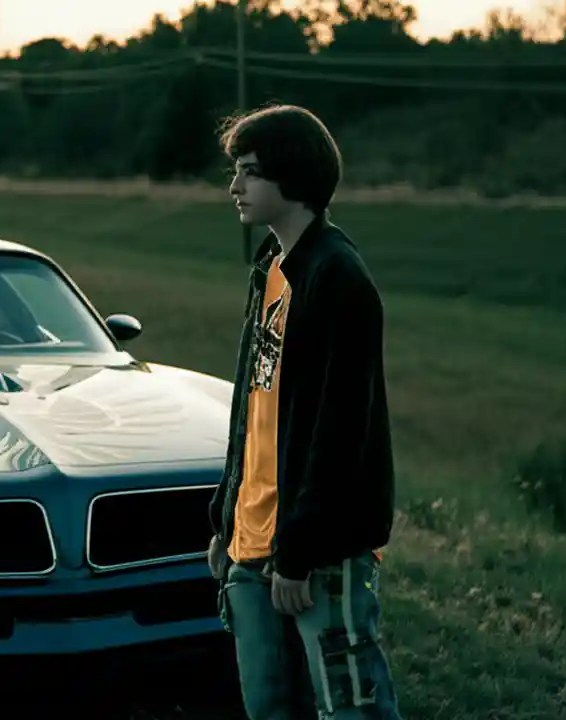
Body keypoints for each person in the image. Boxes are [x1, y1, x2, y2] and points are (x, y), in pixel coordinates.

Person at [205, 103, 402, 720]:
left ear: (293, 176)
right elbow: (253, 411)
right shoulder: (269, 268)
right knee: (269, 707)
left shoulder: (338, 278)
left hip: (316, 554)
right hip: (251, 540)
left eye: (250, 171)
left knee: (351, 709)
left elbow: (339, 432)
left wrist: (300, 550)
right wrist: (226, 518)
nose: (235, 185)